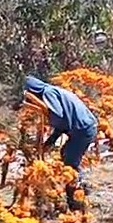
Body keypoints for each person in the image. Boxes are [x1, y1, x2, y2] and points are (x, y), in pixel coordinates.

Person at [23, 76, 98, 211]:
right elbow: (63, 123)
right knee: (66, 155)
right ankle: (78, 189)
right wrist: (50, 141)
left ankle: (76, 198)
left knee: (69, 162)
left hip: (83, 129)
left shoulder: (48, 93)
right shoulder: (53, 91)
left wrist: (43, 111)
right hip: (84, 127)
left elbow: (59, 117)